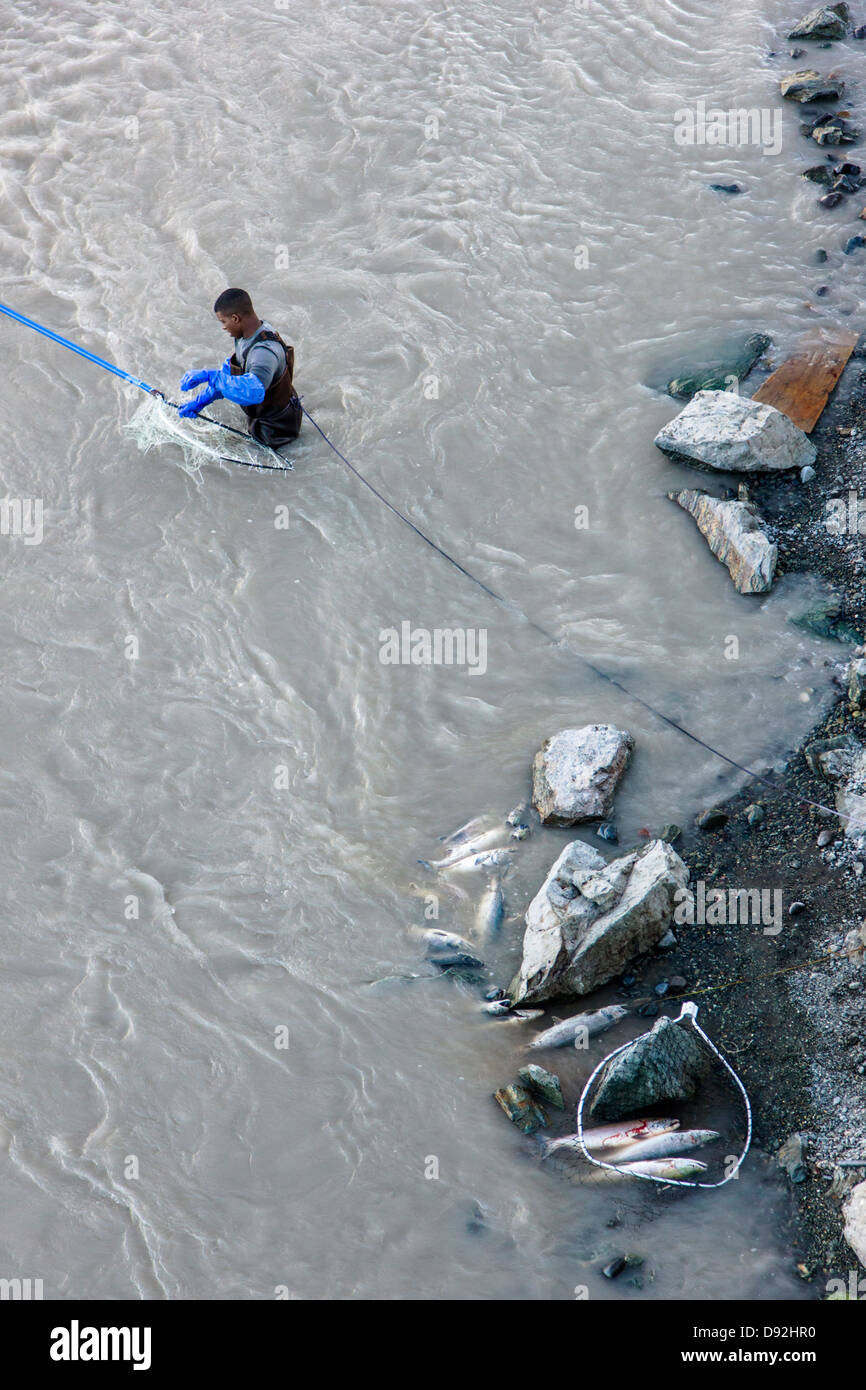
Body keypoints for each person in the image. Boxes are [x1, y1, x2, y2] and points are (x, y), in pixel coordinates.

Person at [178, 289, 302, 448]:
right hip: (265, 415)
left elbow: (253, 391)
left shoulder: (264, 353)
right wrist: (200, 401)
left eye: (223, 321)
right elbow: (230, 374)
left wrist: (212, 377)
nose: (223, 327)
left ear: (235, 318)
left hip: (277, 429)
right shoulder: (248, 335)